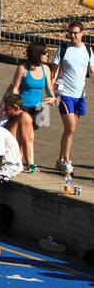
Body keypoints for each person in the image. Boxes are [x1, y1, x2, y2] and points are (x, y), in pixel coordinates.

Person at [54, 19, 91, 177]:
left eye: (75, 33)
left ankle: (60, 159)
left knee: (69, 131)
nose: (72, 35)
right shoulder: (63, 49)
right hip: (65, 93)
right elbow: (54, 71)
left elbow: (92, 71)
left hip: (80, 95)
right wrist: (51, 92)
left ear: (83, 34)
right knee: (71, 128)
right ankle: (66, 161)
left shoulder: (88, 50)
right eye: (70, 33)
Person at [6, 42, 56, 123]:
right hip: (23, 107)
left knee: (32, 133)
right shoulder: (23, 68)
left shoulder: (46, 69)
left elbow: (49, 89)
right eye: (44, 52)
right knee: (22, 133)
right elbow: (15, 89)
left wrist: (53, 98)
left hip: (39, 108)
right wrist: (14, 106)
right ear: (36, 54)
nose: (47, 54)